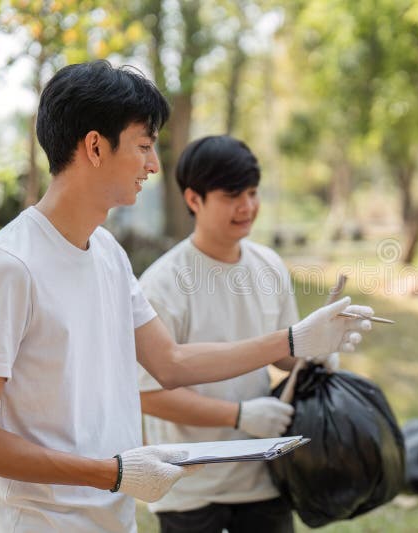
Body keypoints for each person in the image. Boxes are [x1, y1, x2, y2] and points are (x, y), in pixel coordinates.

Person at [0, 61, 372, 533]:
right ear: (96, 147)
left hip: (112, 518)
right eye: (144, 146)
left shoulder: (106, 251)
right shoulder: (9, 267)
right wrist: (112, 473)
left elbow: (172, 362)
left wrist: (294, 340)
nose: (154, 165)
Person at [137, 135, 338, 533]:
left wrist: (321, 348)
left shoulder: (268, 265)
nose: (247, 206)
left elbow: (282, 353)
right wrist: (240, 416)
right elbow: (149, 394)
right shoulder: (162, 283)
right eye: (232, 195)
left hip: (263, 476)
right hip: (190, 485)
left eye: (252, 192)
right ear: (194, 199)